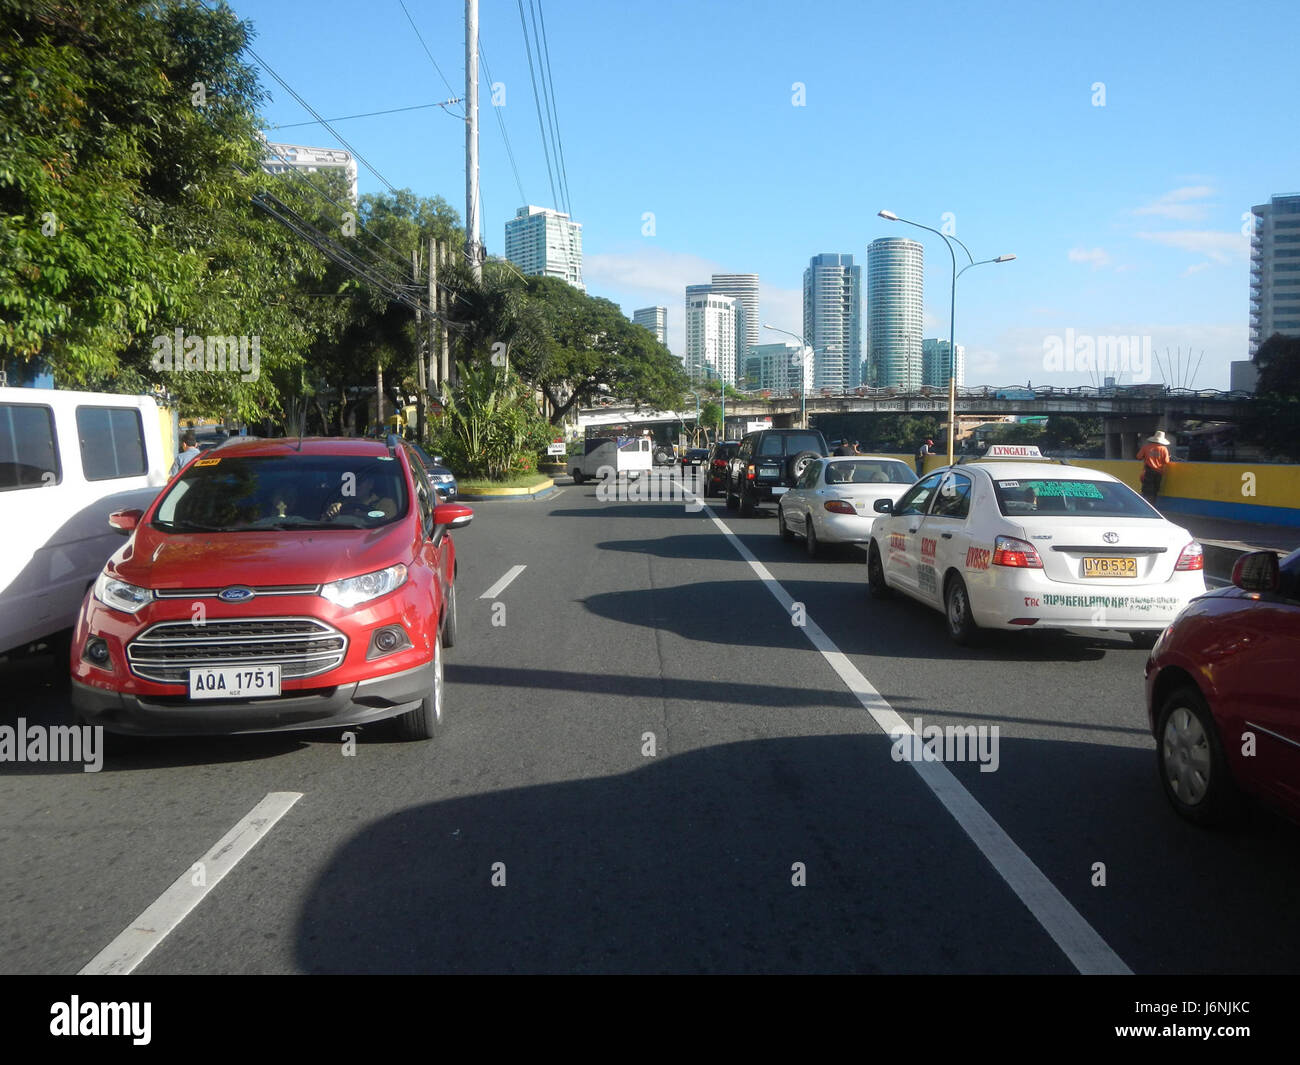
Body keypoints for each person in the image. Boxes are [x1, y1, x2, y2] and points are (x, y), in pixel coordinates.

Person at [1136, 430, 1172, 504]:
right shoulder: (1164, 449)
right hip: (1159, 472)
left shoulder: (1146, 447)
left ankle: (1146, 506)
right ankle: (1153, 505)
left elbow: (1138, 457)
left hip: (1148, 471)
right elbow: (1166, 461)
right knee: (1155, 490)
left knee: (1147, 491)